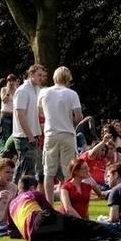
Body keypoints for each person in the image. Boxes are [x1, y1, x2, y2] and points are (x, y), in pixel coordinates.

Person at [8, 176, 121, 241]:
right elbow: (49, 211)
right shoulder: (33, 194)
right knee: (83, 225)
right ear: (33, 187)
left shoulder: (12, 205)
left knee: (76, 235)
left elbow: (13, 233)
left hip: (34, 235)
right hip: (41, 221)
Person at [37, 66, 82, 204]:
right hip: (67, 134)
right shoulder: (71, 94)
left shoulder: (44, 92)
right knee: (68, 172)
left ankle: (49, 204)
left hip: (50, 134)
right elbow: (79, 117)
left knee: (49, 172)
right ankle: (66, 203)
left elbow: (40, 112)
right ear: (68, 78)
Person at [10, 64, 47, 182]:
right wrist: (30, 136)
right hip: (24, 137)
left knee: (27, 169)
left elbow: (39, 112)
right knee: (25, 170)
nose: (42, 78)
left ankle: (19, 195)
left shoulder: (37, 89)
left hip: (33, 135)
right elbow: (19, 114)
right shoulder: (22, 91)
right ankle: (16, 195)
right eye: (39, 75)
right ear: (31, 74)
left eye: (43, 76)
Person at [0, 74, 17, 150]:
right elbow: (4, 100)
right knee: (6, 136)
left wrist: (14, 89)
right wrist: (8, 91)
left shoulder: (18, 90)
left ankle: (13, 155)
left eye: (13, 80)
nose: (11, 82)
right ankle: (6, 154)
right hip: (5, 115)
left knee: (14, 136)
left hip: (15, 116)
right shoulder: (4, 89)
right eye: (9, 80)